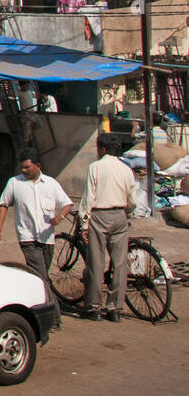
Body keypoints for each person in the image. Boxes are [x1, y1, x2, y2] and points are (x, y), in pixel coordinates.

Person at [0, 147, 72, 305]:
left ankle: (38, 306)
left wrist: (60, 217)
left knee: (41, 276)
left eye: (27, 167)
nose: (24, 170)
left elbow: (67, 204)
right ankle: (54, 315)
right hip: (27, 237)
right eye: (22, 167)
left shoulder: (51, 183)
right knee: (41, 277)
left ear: (38, 166)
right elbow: (3, 204)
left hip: (47, 238)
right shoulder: (14, 183)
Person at [78, 133, 137, 322]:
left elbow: (89, 197)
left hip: (100, 215)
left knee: (96, 262)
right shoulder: (126, 169)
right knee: (119, 264)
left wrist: (83, 222)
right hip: (120, 215)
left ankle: (94, 307)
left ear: (102, 149)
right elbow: (133, 200)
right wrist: (125, 212)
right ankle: (115, 309)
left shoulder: (95, 167)